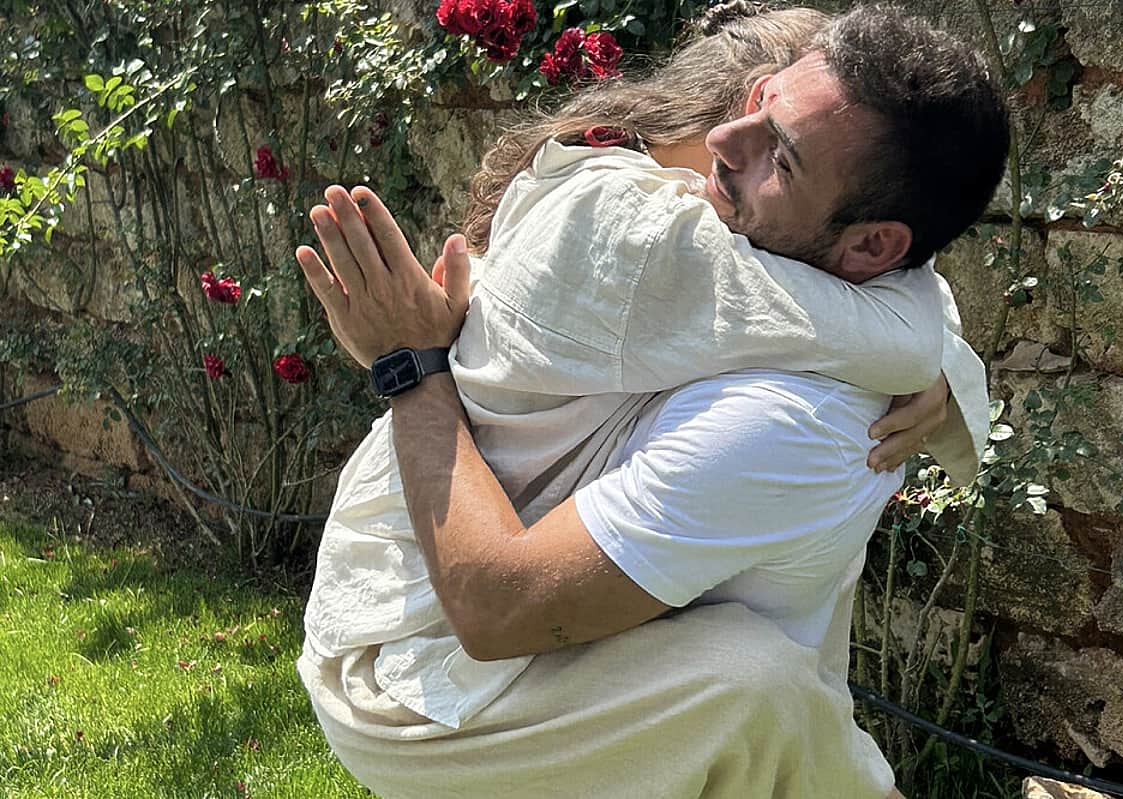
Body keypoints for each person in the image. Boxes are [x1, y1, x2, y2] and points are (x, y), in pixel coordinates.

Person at [297, 5, 1005, 797]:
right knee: (753, 681)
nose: (726, 144)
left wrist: (941, 366)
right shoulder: (622, 230)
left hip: (443, 608)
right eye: (757, 105)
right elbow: (883, 320)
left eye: (782, 156)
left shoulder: (710, 233)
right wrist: (410, 365)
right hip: (408, 657)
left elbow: (898, 285)